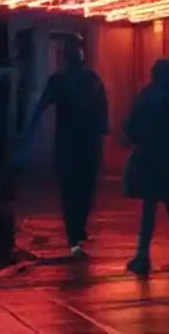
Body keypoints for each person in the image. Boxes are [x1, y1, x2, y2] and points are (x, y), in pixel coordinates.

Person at [24, 34, 109, 257]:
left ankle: (74, 231)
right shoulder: (92, 79)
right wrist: (103, 129)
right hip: (88, 141)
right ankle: (77, 229)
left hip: (68, 142)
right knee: (85, 189)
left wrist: (30, 130)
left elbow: (42, 105)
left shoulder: (60, 79)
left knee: (70, 189)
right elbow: (102, 108)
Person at [124, 58, 169, 275]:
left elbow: (133, 125)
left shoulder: (147, 96)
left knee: (150, 206)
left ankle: (143, 254)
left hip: (151, 155)